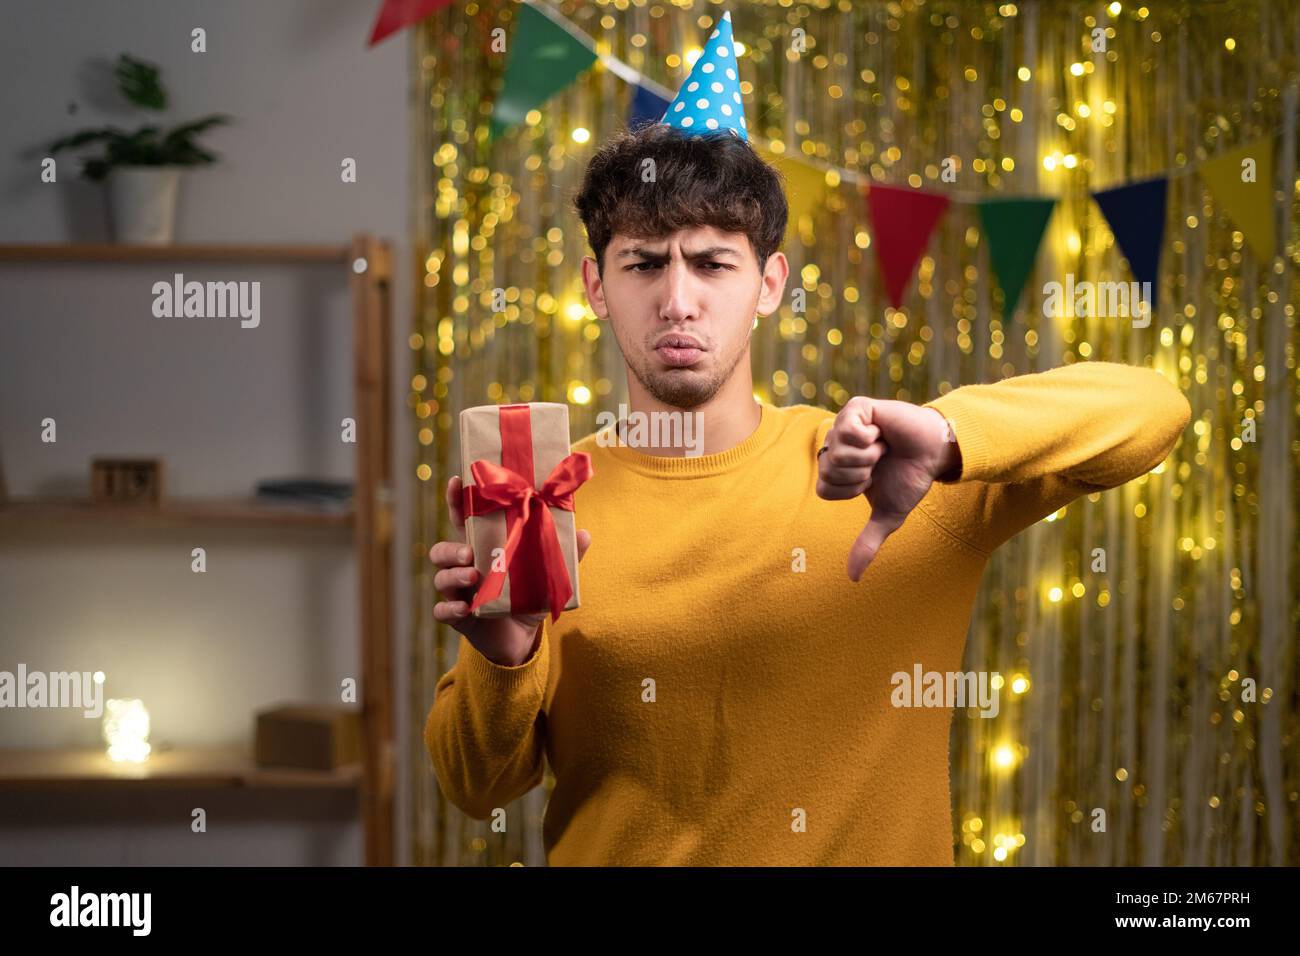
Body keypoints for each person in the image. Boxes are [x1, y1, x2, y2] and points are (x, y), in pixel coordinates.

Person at [424, 12, 1192, 866]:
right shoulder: (544, 503)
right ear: (596, 286)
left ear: (769, 284)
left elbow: (1152, 408)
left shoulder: (896, 474)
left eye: (714, 263)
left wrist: (946, 437)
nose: (678, 299)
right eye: (643, 263)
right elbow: (475, 786)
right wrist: (507, 653)